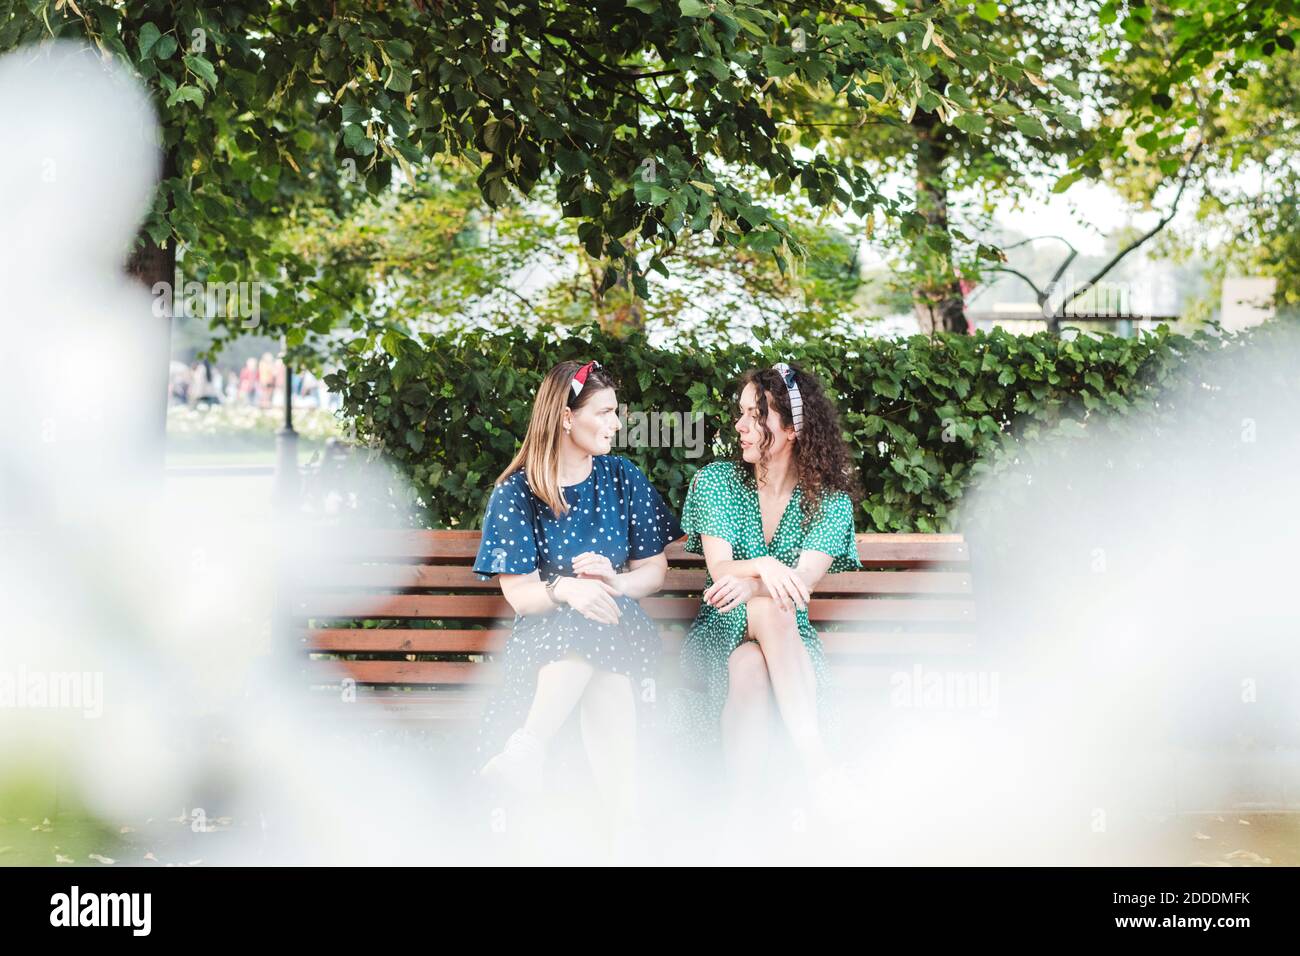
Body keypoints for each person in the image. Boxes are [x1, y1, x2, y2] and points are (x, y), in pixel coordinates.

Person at [473, 360, 682, 838]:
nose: (616, 423)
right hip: (545, 638)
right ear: (567, 418)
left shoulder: (621, 477)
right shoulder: (517, 492)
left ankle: (526, 750)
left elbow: (655, 571)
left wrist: (614, 582)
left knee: (597, 617)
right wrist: (567, 589)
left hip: (620, 619)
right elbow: (522, 595)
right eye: (605, 412)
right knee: (596, 642)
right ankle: (623, 824)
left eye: (616, 413)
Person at [673, 362, 864, 823]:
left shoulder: (830, 502)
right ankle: (820, 767)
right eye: (741, 413)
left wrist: (751, 582)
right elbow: (721, 573)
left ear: (792, 428)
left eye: (756, 416)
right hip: (719, 631)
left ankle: (740, 822)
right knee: (768, 611)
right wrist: (762, 565)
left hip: (787, 648)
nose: (740, 426)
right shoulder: (717, 482)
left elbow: (798, 588)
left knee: (753, 664)